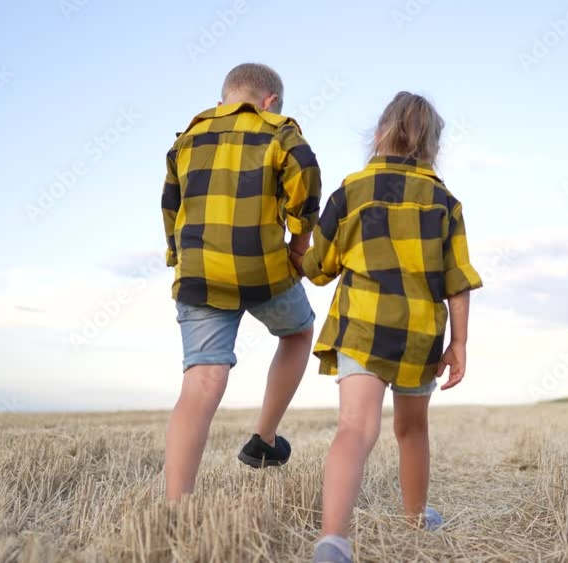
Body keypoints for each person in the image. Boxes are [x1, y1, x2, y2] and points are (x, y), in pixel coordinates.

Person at [302, 92, 483, 563]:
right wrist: (460, 343)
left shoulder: (351, 190)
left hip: (361, 323)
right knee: (412, 430)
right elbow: (457, 280)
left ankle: (334, 540)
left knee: (354, 430)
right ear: (433, 147)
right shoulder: (445, 201)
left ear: (379, 134)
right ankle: (416, 519)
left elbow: (320, 266)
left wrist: (297, 257)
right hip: (419, 333)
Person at [160, 63, 322, 499]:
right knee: (299, 330)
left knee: (202, 381)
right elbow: (305, 177)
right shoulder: (279, 131)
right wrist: (299, 243)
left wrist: (178, 256)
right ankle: (264, 439)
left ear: (223, 100)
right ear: (269, 102)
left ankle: (175, 505)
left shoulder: (186, 138)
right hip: (263, 270)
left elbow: (170, 206)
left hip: (199, 275)